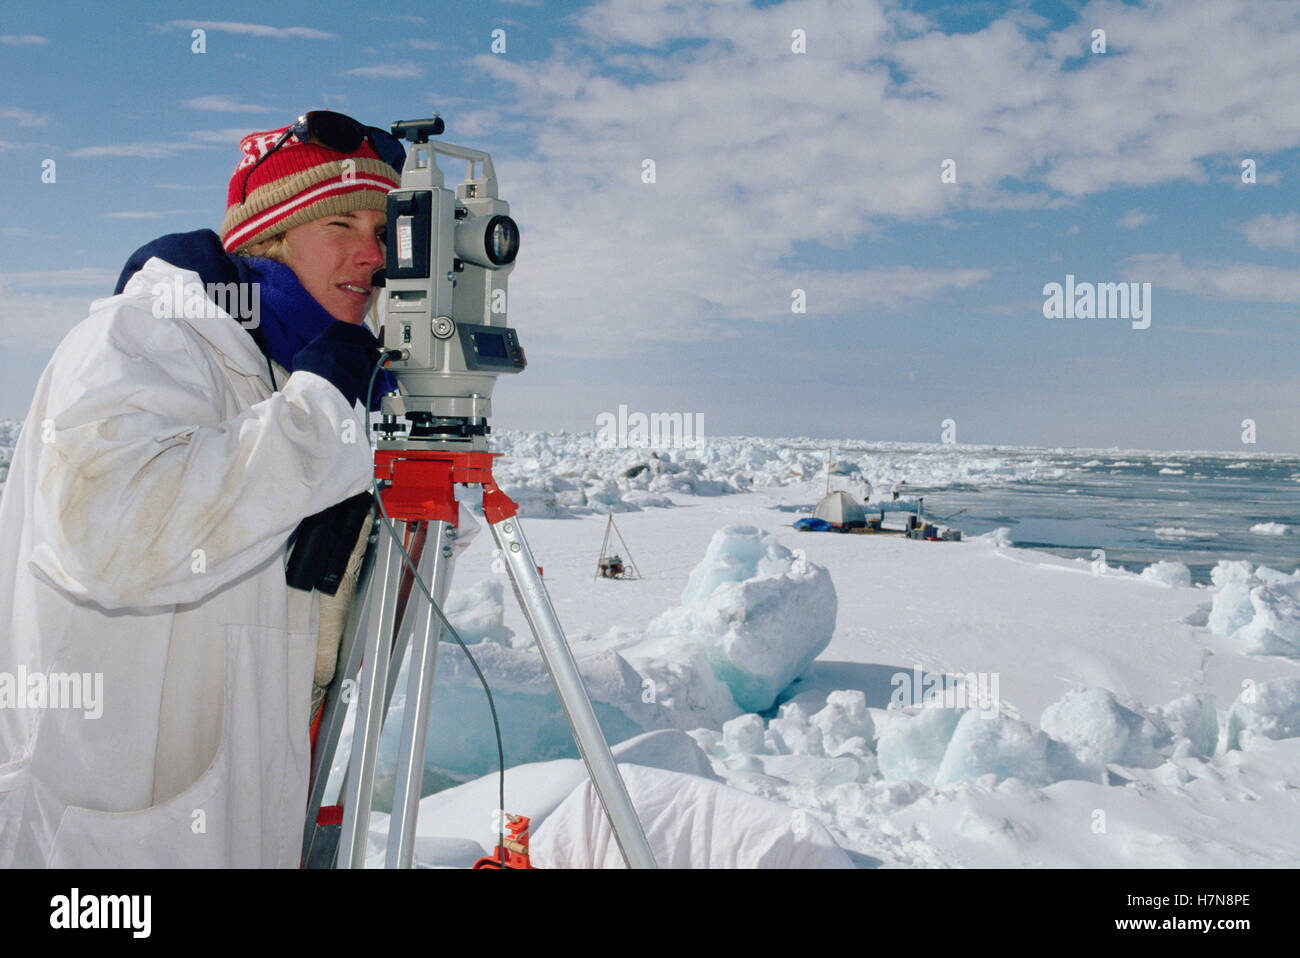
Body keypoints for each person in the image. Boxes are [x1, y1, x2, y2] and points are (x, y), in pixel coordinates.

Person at [0, 112, 415, 867]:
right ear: (268, 239)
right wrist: (316, 419)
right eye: (341, 225)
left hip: (246, 819)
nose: (372, 255)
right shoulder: (147, 335)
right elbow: (107, 537)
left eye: (384, 232)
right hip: (108, 846)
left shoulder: (298, 375)